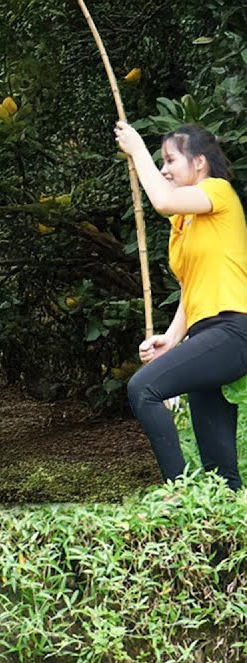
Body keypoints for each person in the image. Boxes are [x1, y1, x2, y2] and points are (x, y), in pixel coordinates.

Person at [116, 121, 247, 490]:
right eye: (161, 161)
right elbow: (192, 287)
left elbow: (161, 200)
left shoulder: (217, 192)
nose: (164, 169)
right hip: (207, 336)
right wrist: (172, 338)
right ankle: (229, 533)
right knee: (221, 470)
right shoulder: (185, 223)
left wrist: (138, 149)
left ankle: (178, 494)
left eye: (171, 159)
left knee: (143, 389)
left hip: (234, 330)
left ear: (200, 162)